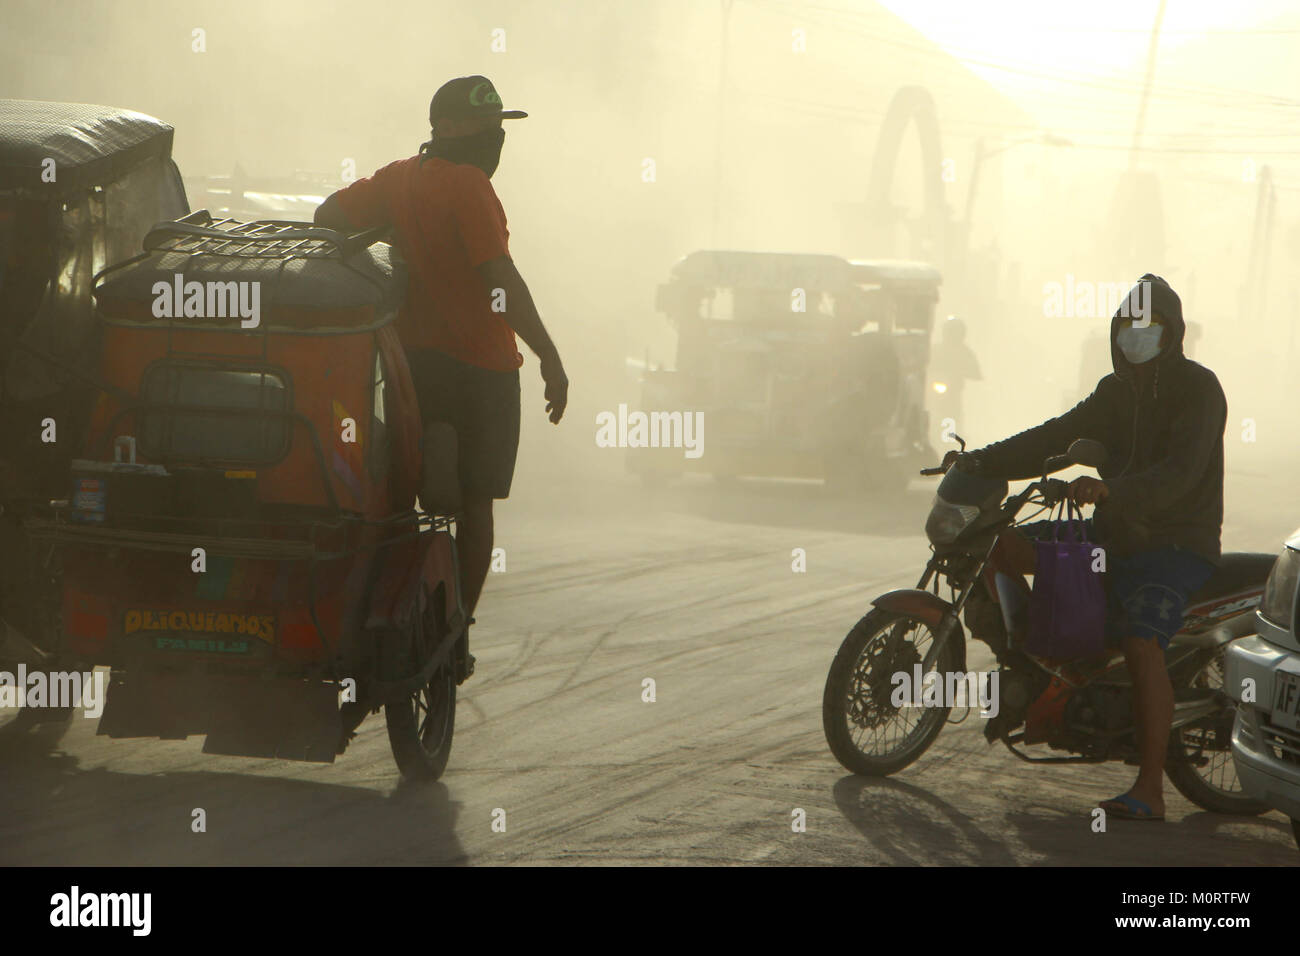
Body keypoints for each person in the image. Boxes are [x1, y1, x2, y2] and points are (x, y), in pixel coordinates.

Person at [947, 274, 1225, 821]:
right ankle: (1047, 672)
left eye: (1149, 324)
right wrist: (981, 460)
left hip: (1175, 545)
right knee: (1001, 547)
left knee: (1142, 642)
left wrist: (1113, 490)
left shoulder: (1199, 389)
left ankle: (1150, 789)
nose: (1136, 334)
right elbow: (1054, 435)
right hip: (1112, 533)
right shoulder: (1113, 392)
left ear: (1172, 331)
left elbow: (1182, 473)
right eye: (1127, 324)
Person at [315, 75, 568, 628]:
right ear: (447, 128)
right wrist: (547, 354)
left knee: (397, 492)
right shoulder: (470, 186)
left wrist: (392, 240)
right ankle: (457, 628)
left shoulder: (398, 178)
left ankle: (384, 606)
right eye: (484, 126)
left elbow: (328, 216)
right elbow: (499, 278)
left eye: (498, 126)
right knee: (477, 504)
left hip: (414, 368)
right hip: (483, 370)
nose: (494, 137)